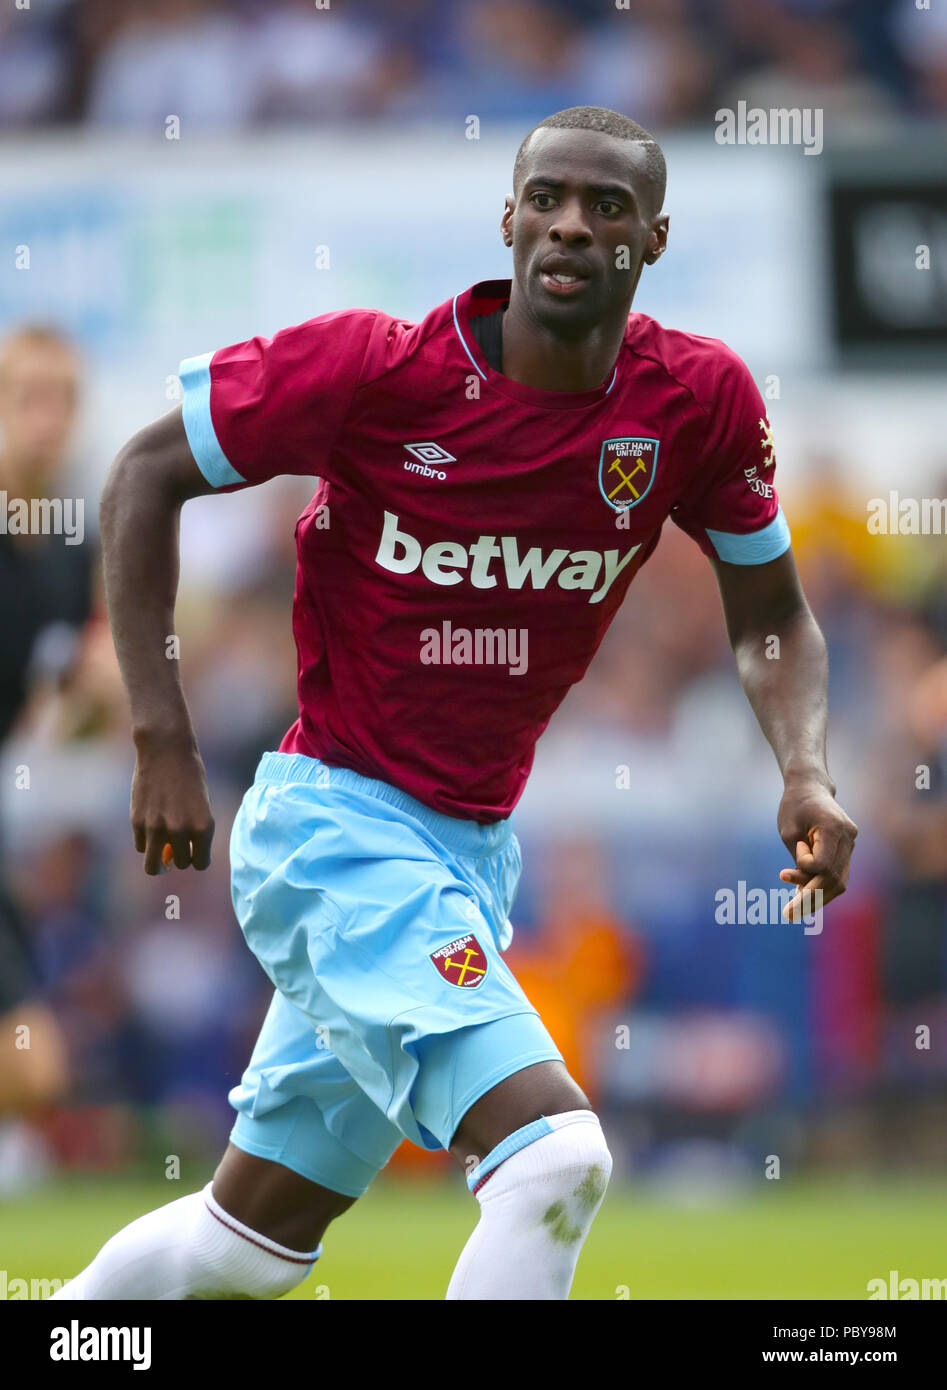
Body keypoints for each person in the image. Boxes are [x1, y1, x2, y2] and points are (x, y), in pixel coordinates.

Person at [53, 106, 857, 1302]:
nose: (571, 225)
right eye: (547, 199)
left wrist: (803, 766)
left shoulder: (697, 402)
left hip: (468, 853)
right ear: (508, 219)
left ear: (654, 235)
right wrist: (162, 734)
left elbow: (774, 616)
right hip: (332, 832)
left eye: (606, 206)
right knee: (555, 1161)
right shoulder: (376, 369)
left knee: (240, 1248)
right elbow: (142, 473)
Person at [0, 326, 91, 1120]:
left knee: (33, 1074)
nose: (47, 417)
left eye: (63, 399)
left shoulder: (70, 547)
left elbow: (68, 707)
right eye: (28, 396)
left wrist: (99, 694)